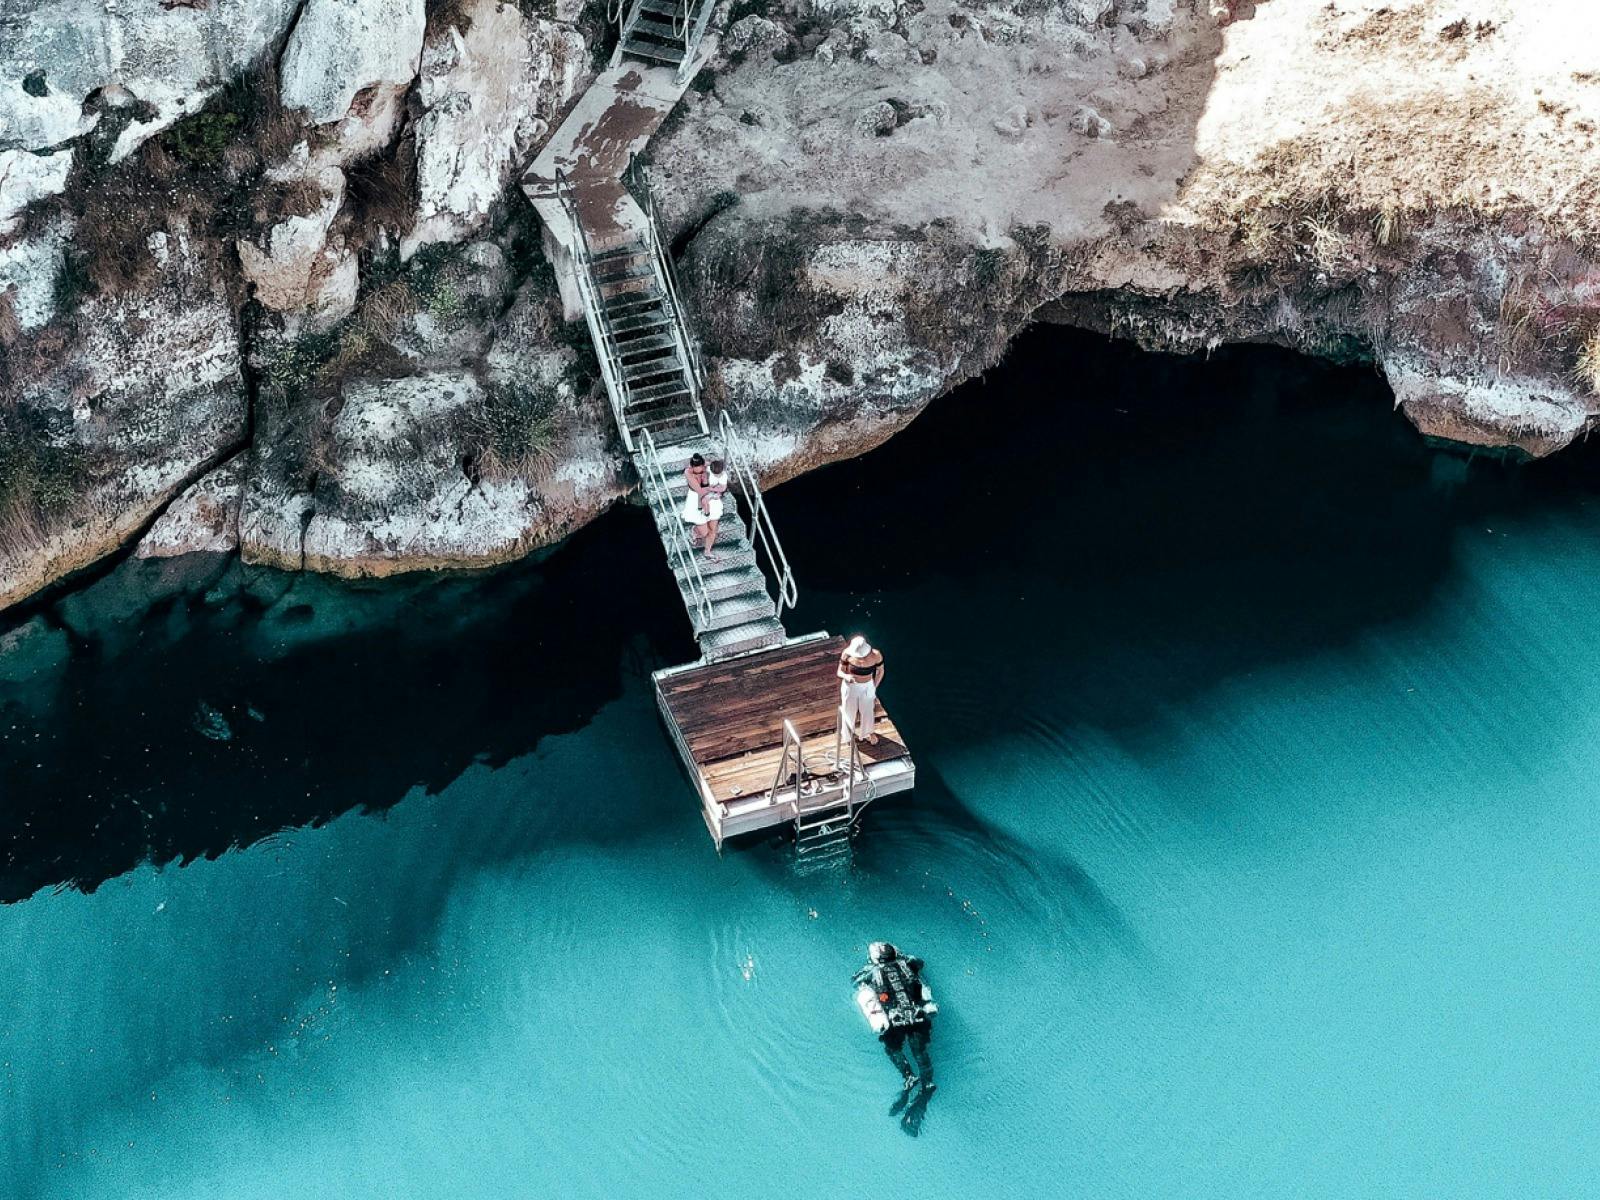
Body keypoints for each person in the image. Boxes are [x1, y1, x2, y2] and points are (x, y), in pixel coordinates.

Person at [837, 635, 884, 745]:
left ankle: (867, 733)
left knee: (867, 711)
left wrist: (874, 685)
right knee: (848, 710)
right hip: (850, 687)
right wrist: (847, 676)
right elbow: (839, 671)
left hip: (867, 686)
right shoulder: (847, 654)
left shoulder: (876, 655)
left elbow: (880, 670)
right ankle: (847, 735)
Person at [680, 454, 727, 561]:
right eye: (698, 471)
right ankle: (694, 531)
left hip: (711, 499)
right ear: (691, 467)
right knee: (704, 532)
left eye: (702, 469)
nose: (701, 472)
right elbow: (700, 490)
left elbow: (716, 467)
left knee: (712, 529)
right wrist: (715, 490)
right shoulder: (688, 473)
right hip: (696, 500)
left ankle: (707, 551)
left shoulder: (705, 466)